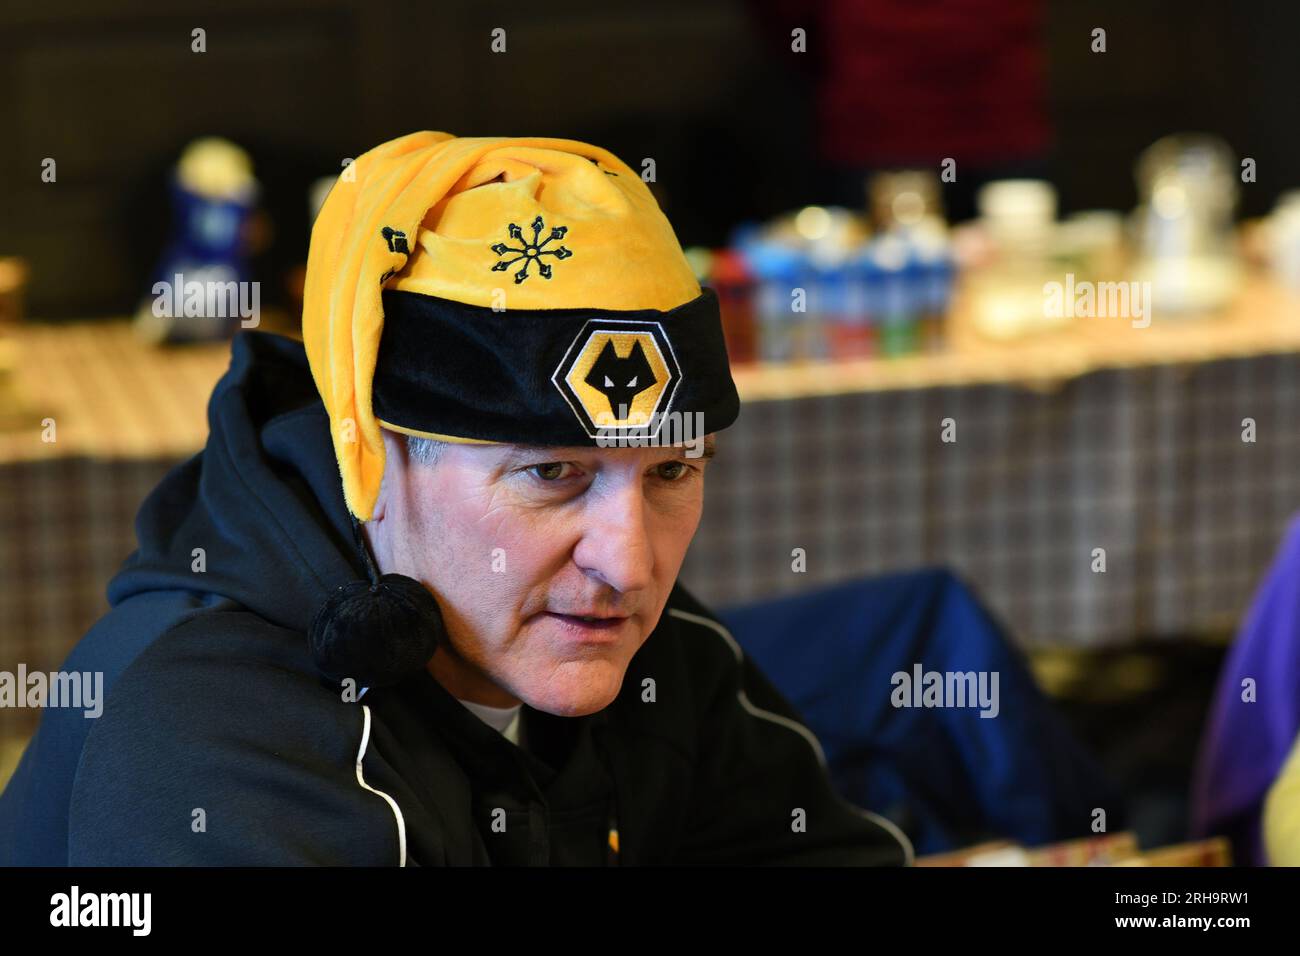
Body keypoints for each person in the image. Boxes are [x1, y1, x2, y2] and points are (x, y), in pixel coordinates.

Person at [0, 132, 912, 866]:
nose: (629, 564)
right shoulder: (210, 729)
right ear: (373, 453)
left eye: (671, 471)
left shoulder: (649, 657)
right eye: (552, 474)